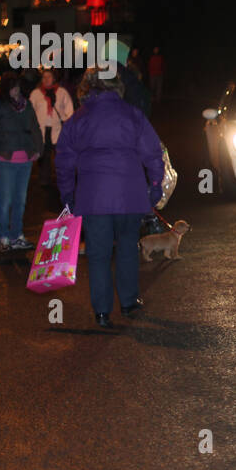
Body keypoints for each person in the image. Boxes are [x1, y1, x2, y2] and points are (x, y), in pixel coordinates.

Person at [56, 65, 164, 329]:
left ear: (87, 87)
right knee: (127, 248)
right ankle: (128, 302)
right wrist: (155, 183)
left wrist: (68, 195)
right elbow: (152, 152)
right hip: (130, 194)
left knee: (99, 254)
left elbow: (64, 162)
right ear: (117, 85)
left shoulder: (77, 120)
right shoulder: (133, 115)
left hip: (93, 198)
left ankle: (102, 312)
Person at [0, 71, 42, 252]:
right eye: (12, 87)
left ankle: (16, 234)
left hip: (25, 159)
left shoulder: (26, 105)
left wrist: (38, 149)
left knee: (20, 200)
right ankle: (4, 236)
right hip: (6, 159)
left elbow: (34, 127)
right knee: (6, 199)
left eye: (17, 86)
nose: (15, 91)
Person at [31, 68, 74, 187]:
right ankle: (44, 179)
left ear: (54, 78)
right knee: (43, 157)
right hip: (42, 130)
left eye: (49, 77)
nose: (46, 79)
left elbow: (69, 109)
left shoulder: (61, 92)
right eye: (44, 77)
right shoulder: (36, 93)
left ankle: (63, 178)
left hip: (58, 130)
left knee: (60, 156)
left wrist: (67, 121)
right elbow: (31, 111)